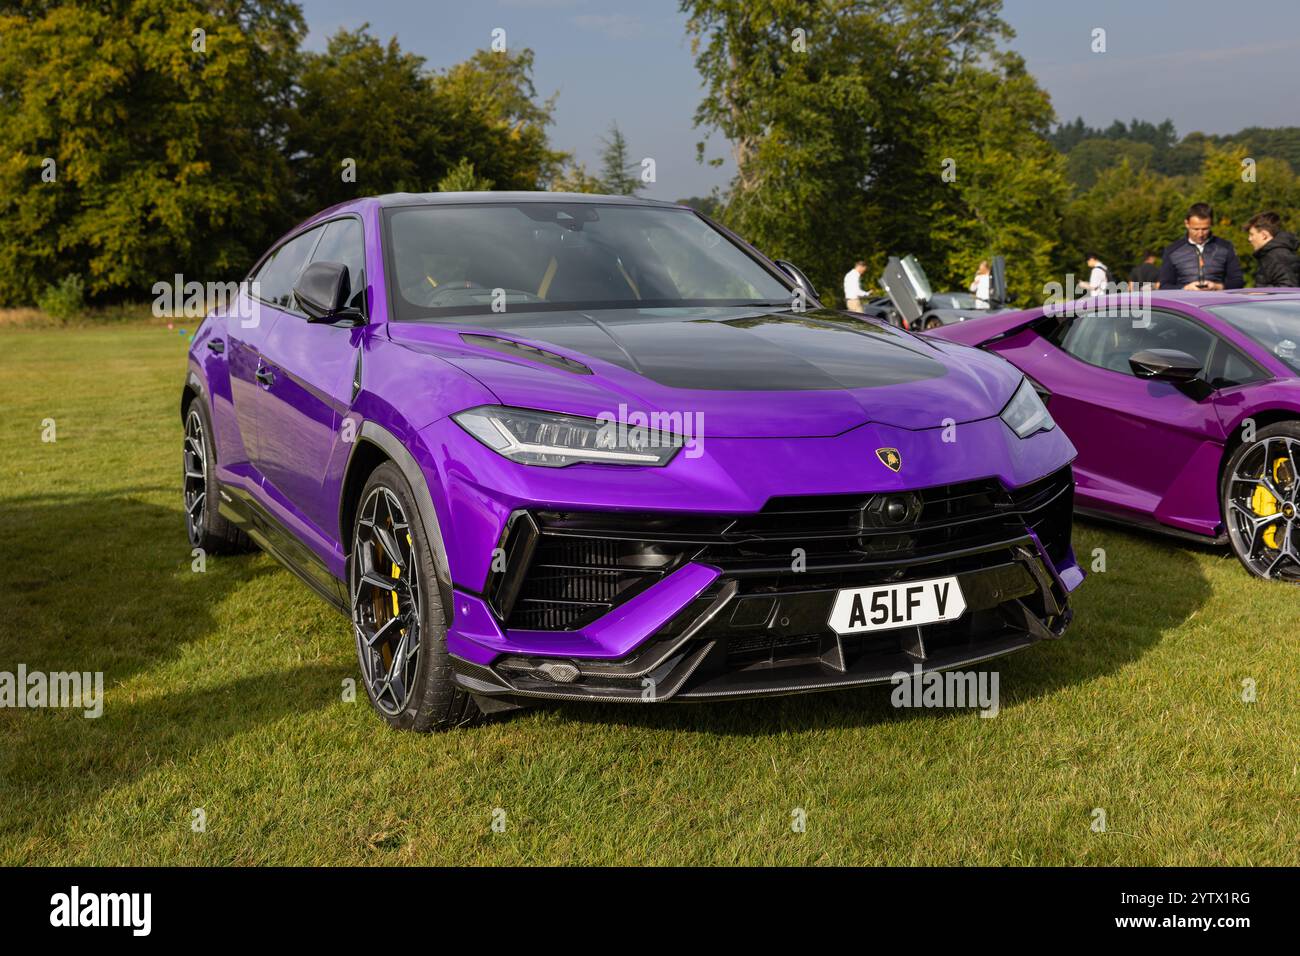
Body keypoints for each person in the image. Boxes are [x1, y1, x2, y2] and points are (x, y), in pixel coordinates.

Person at [1157, 202, 1244, 291]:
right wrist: (1185, 288)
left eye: (1205, 229)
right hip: (1185, 302)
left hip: (1217, 303)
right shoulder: (1172, 250)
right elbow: (1164, 286)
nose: (1200, 234)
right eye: (1196, 229)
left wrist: (1217, 287)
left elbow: (1238, 281)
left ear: (1211, 224)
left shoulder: (1226, 247)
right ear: (1187, 224)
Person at [1246, 211, 1300, 288]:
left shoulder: (1279, 256)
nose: (1249, 239)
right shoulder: (1271, 255)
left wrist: (1261, 293)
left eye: (1252, 234)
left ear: (1264, 235)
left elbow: (1288, 290)